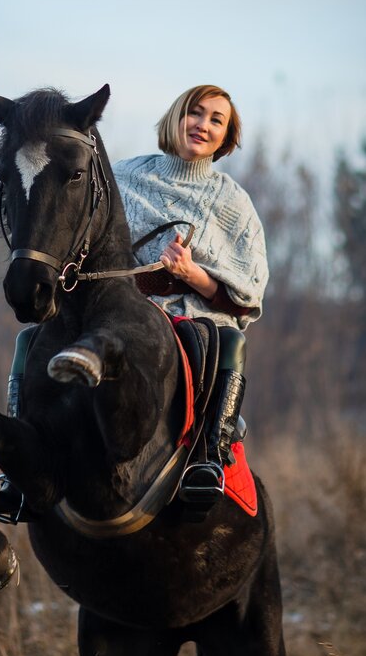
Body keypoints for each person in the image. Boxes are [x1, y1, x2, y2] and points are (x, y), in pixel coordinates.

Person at [112, 84, 269, 506]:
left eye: (216, 120)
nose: (203, 125)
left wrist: (192, 273)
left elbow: (244, 297)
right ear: (176, 117)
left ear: (225, 137)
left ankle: (209, 458)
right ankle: (21, 473)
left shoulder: (234, 203)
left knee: (232, 343)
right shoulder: (121, 176)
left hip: (195, 322)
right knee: (34, 339)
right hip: (119, 310)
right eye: (195, 113)